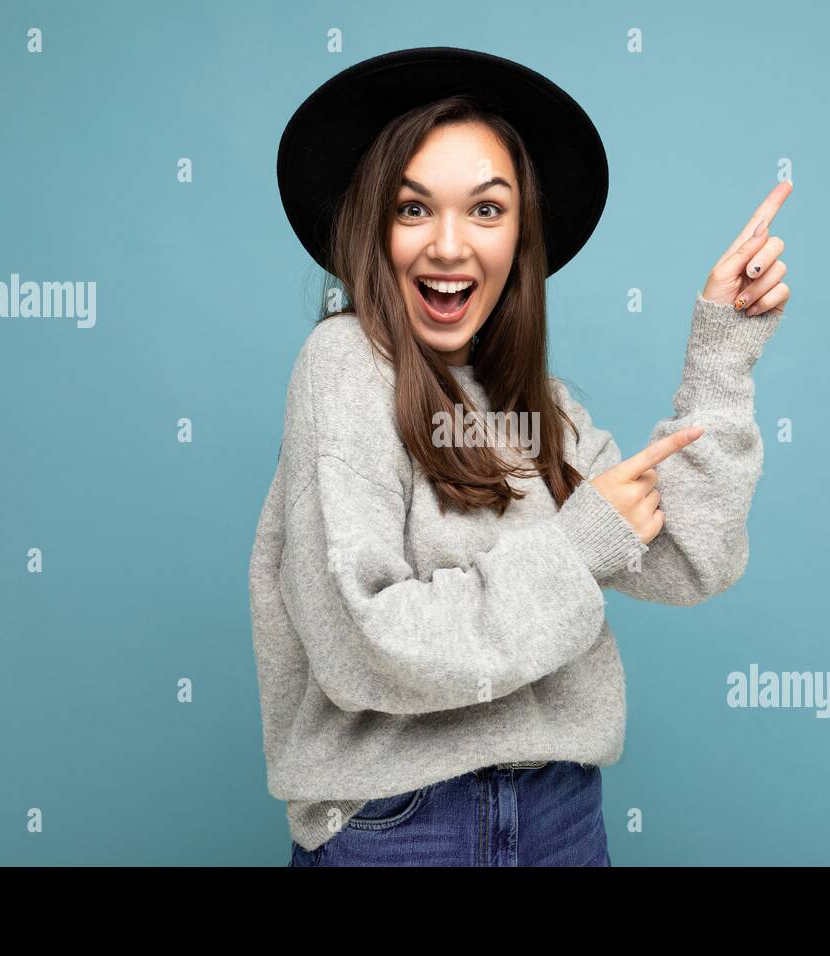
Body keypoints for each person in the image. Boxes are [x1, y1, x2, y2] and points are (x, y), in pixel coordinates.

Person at [251, 46, 791, 867]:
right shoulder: (345, 366)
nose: (448, 244)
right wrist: (577, 547)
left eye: (486, 210)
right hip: (405, 829)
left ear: (520, 236)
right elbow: (362, 647)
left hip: (560, 814)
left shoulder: (537, 403)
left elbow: (691, 556)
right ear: (373, 226)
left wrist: (723, 353)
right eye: (412, 209)